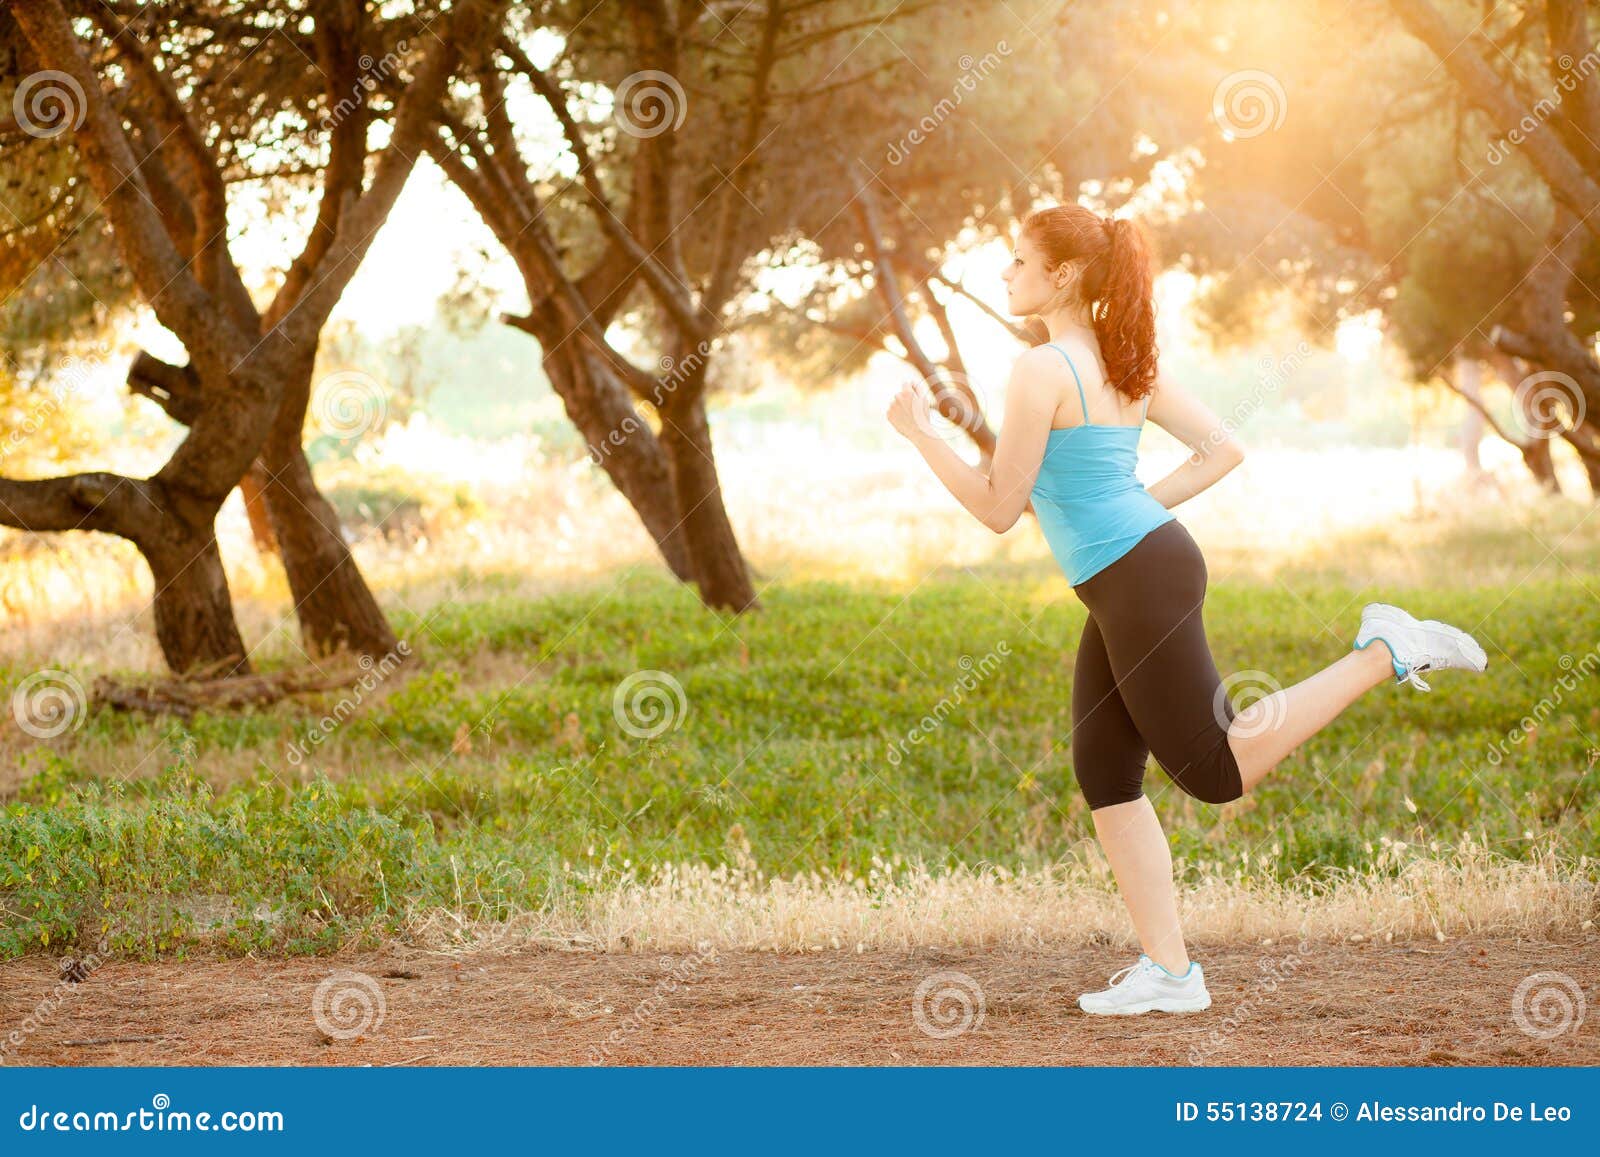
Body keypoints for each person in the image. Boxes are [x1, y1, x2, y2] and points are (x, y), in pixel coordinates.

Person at [885, 203, 1488, 1016]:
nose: (1007, 274)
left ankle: (1384, 650)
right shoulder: (1121, 359)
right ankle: (1170, 973)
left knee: (1214, 769)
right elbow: (1220, 449)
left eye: (1019, 261)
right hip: (1135, 570)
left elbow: (999, 508)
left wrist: (922, 436)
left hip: (1139, 576)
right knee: (1104, 772)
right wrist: (1137, 508)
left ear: (1064, 273)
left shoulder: (1042, 369)